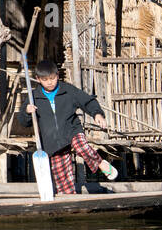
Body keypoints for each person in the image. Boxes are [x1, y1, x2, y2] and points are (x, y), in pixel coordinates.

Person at [18, 59, 118, 195]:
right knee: (63, 181)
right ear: (38, 79)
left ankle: (101, 164)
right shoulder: (34, 96)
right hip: (52, 142)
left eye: (52, 78)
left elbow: (87, 101)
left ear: (57, 75)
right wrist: (27, 112)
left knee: (81, 146)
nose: (50, 82)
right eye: (45, 79)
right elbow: (23, 122)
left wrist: (97, 115)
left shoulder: (68, 90)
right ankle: (70, 202)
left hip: (71, 130)